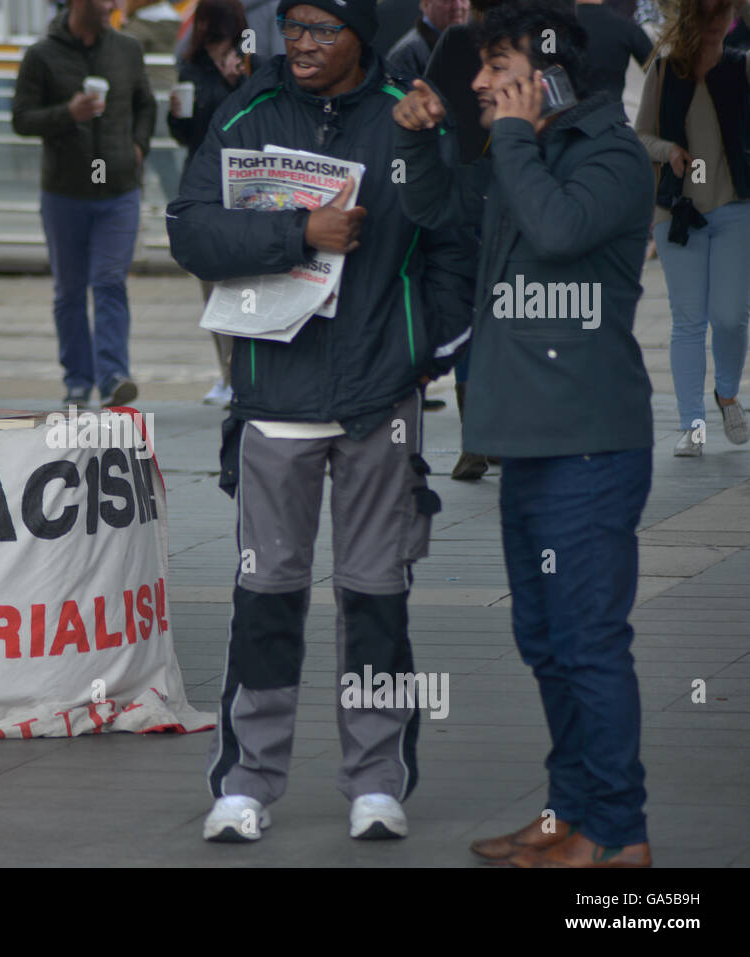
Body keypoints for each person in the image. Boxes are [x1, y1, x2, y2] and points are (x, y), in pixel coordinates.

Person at [167, 0, 476, 844]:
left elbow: (455, 241)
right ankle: (245, 782)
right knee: (265, 599)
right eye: (290, 27)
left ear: (360, 37)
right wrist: (297, 231)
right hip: (276, 398)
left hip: (383, 402)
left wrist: (421, 352)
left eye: (320, 29)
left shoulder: (406, 114)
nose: (298, 45)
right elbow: (190, 231)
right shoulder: (247, 113)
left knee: (377, 600)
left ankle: (377, 781)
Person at [392, 0, 656, 867]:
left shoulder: (611, 157)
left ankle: (618, 835)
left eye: (492, 67)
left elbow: (559, 229)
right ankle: (570, 809)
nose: (474, 82)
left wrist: (507, 139)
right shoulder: (520, 153)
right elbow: (445, 223)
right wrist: (417, 140)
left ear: (543, 75)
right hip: (529, 444)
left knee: (588, 643)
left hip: (589, 442)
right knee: (545, 643)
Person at [12, 0, 155, 407]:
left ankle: (113, 376)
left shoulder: (127, 48)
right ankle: (77, 378)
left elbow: (146, 103)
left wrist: (139, 147)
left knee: (109, 281)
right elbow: (21, 118)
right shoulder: (42, 54)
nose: (112, 5)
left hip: (119, 189)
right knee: (70, 291)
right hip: (64, 192)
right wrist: (68, 113)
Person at [635, 0, 750, 456]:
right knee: (687, 321)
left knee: (730, 315)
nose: (718, 23)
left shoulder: (741, 69)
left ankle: (727, 395)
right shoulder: (665, 72)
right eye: (709, 13)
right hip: (677, 212)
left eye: (725, 13)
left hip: (734, 209)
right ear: (691, 18)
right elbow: (640, 134)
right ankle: (693, 425)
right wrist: (668, 151)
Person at [423, 0, 502, 476]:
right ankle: (492, 436)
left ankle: (476, 439)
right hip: (503, 185)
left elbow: (429, 98)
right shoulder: (521, 43)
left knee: (473, 310)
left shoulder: (454, 40)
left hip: (460, 187)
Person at [167, 0, 254, 406]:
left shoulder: (251, 58)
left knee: (243, 282)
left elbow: (258, 121)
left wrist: (241, 82)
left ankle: (244, 372)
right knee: (211, 285)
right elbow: (185, 135)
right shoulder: (191, 64)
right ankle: (226, 375)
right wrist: (175, 116)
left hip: (244, 186)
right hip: (201, 186)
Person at [122, 0, 187, 207]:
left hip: (145, 98)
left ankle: (135, 212)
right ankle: (177, 207)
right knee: (165, 161)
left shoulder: (139, 26)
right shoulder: (173, 20)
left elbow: (123, 51)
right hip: (167, 94)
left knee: (140, 160)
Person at [577, 0, 653, 100]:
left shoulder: (561, 29)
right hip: (613, 109)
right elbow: (659, 73)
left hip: (574, 112)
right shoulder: (626, 27)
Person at [387, 0, 470, 75]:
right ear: (425, 3)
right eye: (447, 0)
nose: (458, 6)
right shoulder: (406, 55)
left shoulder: (475, 42)